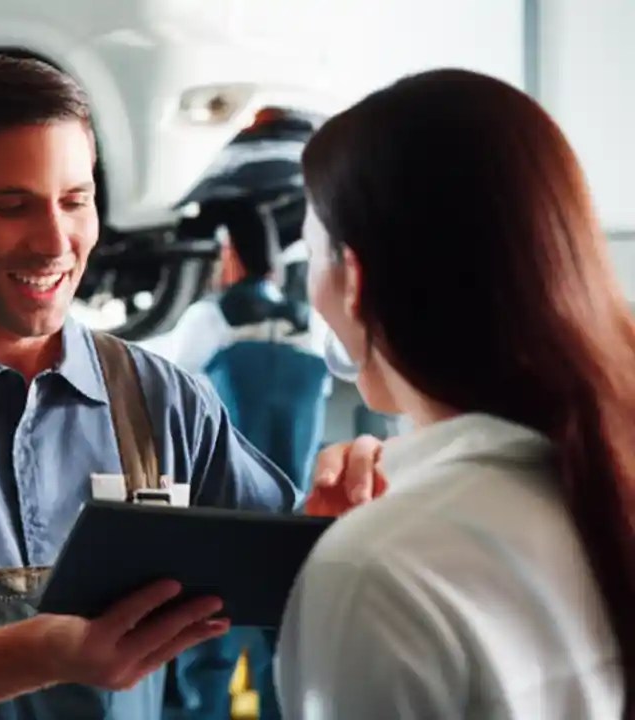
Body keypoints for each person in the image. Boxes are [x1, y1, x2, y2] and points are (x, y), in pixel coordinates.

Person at [0, 53, 382, 720]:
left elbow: (286, 577)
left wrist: (336, 530)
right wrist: (45, 653)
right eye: (11, 206)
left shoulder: (163, 403)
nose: (55, 241)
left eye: (75, 201)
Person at [276, 68, 633, 718]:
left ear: (353, 278)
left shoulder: (380, 570)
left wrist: (338, 576)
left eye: (310, 256)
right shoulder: (604, 478)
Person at [163, 199, 332, 720]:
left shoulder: (208, 319)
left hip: (221, 523)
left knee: (205, 663)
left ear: (228, 252)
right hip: (295, 523)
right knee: (285, 667)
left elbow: (165, 406)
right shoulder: (312, 327)